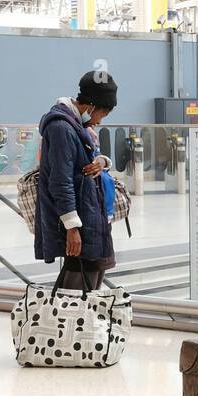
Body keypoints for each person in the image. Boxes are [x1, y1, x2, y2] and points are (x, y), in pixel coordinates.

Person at [34, 70, 118, 291]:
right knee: (77, 288)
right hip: (79, 218)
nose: (99, 121)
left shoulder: (77, 126)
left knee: (93, 275)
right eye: (102, 114)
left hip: (90, 213)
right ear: (91, 106)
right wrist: (72, 227)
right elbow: (60, 181)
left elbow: (86, 160)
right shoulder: (61, 128)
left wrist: (102, 161)